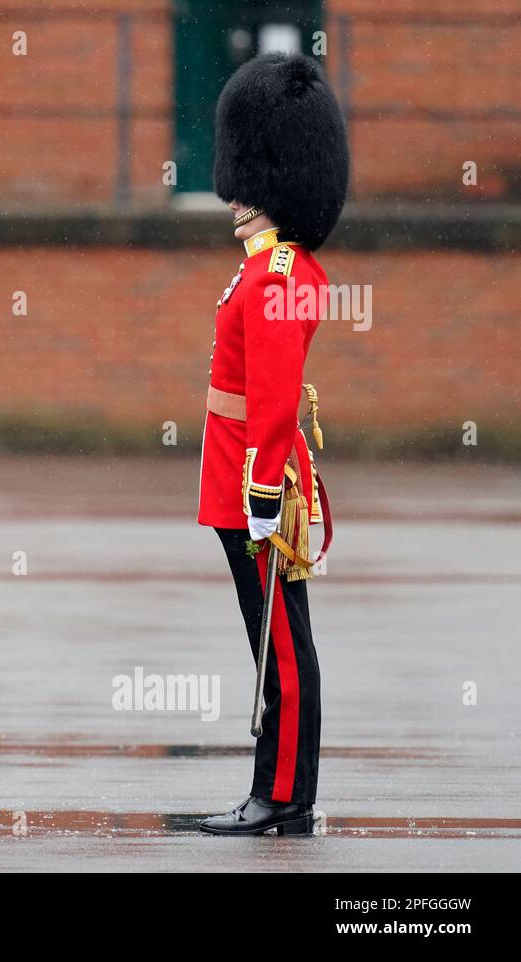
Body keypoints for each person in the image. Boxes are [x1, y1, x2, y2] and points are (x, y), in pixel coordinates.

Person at [196, 53, 347, 836]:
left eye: (246, 183)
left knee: (281, 644)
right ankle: (280, 790)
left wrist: (261, 492)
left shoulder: (280, 273)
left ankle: (282, 793)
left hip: (260, 483)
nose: (234, 199)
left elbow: (275, 400)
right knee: (276, 636)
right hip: (237, 476)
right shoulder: (262, 271)